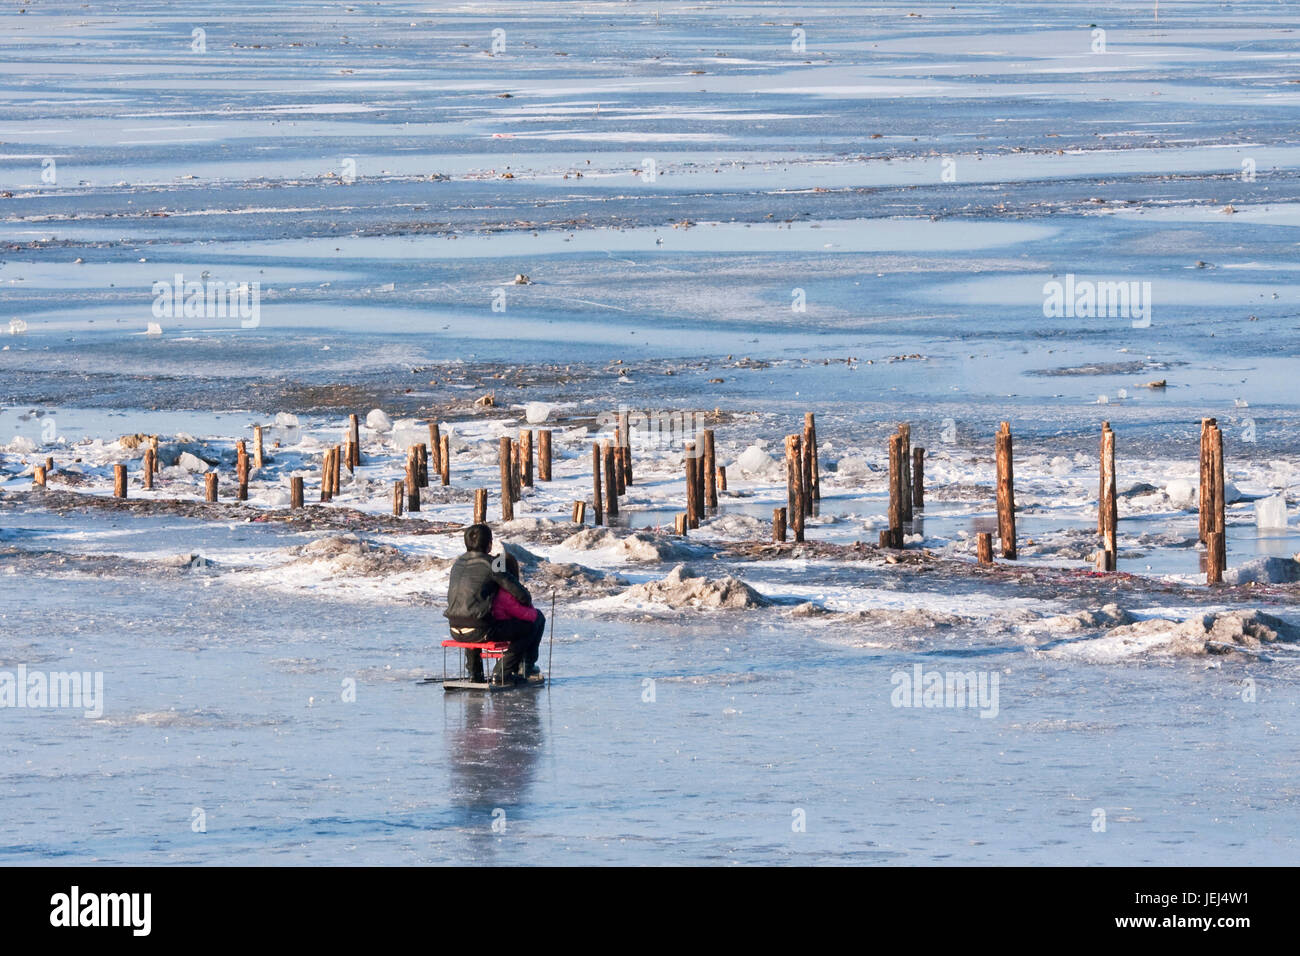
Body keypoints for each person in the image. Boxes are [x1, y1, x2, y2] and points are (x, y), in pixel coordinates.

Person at [443, 524, 545, 685]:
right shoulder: (492, 564)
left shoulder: (457, 564)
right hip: (482, 630)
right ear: (489, 544)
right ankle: (503, 671)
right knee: (532, 625)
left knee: (471, 616)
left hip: (454, 629)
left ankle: (474, 674)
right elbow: (522, 596)